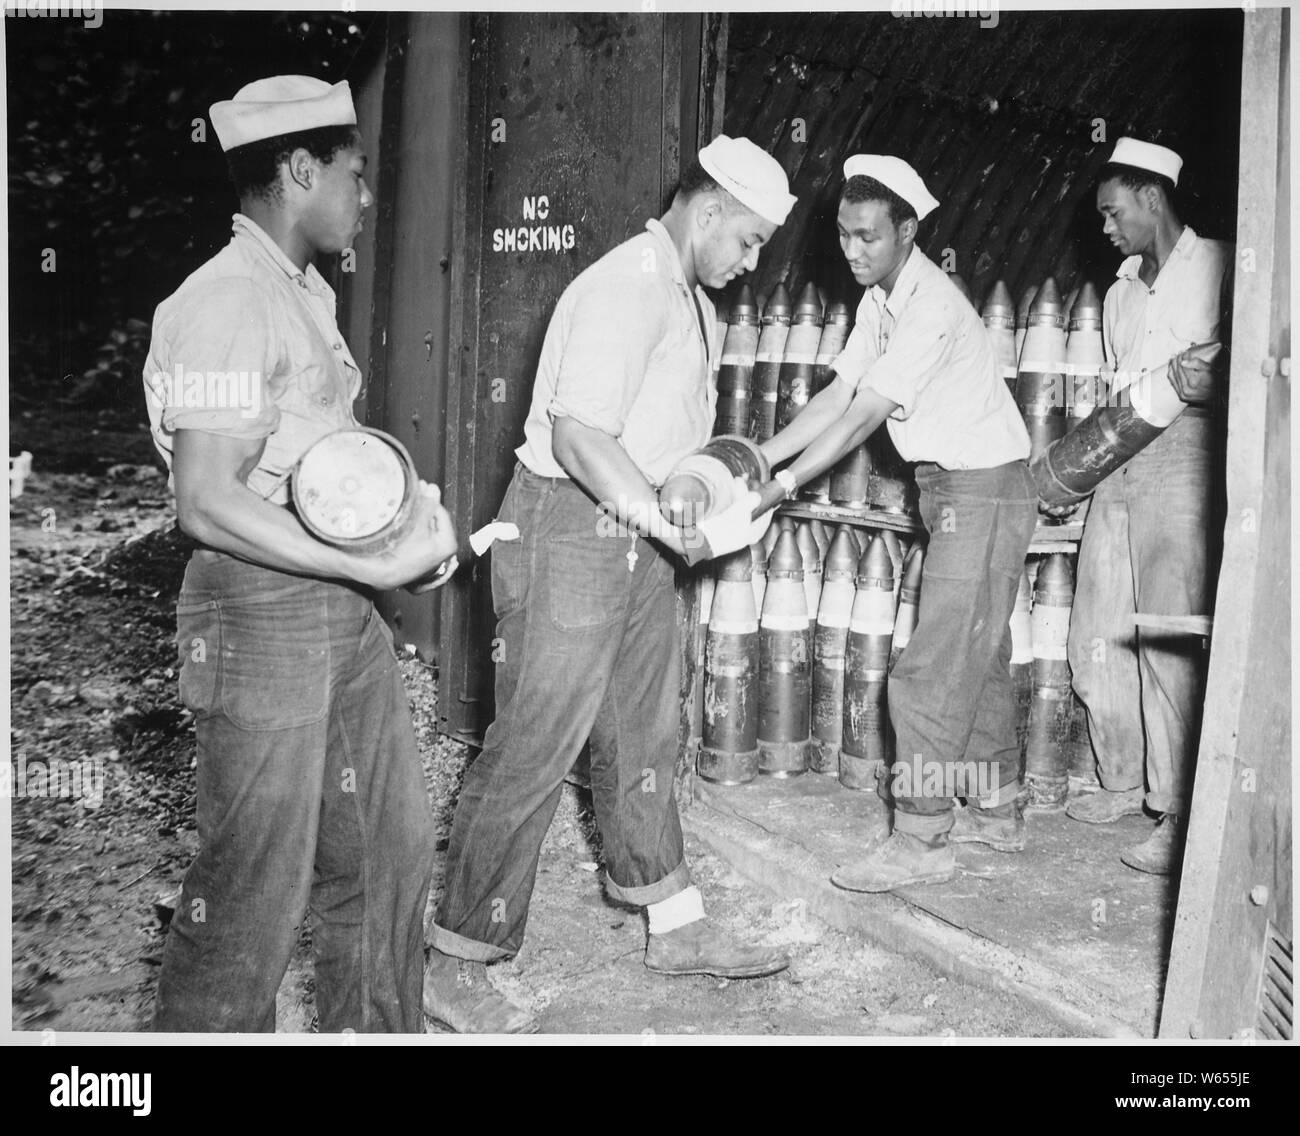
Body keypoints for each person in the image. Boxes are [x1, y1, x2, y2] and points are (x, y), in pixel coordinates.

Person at [423, 135, 794, 1034]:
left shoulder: (687, 297)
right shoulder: (627, 285)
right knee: (537, 740)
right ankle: (457, 956)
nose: (748, 264)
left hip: (629, 532)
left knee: (643, 726)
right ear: (706, 212)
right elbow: (583, 436)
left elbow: (661, 439)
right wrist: (674, 529)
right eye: (745, 241)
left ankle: (670, 919)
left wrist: (713, 495)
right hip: (568, 524)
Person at [145, 76, 458, 1032]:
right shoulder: (230, 299)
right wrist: (366, 568)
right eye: (355, 176)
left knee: (384, 845)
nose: (367, 196)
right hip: (256, 608)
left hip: (327, 600)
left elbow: (320, 465)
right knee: (253, 886)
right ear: (297, 170)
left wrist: (405, 531)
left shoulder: (300, 295)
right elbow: (205, 499)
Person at [759, 156, 1037, 893]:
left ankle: (921, 838)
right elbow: (836, 394)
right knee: (975, 654)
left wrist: (784, 484)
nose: (852, 251)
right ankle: (1000, 806)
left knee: (929, 669)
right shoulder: (881, 302)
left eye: (868, 237)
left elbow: (862, 418)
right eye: (845, 235)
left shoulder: (930, 307)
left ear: (909, 231)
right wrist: (759, 456)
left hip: (985, 489)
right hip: (952, 487)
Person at [1063, 137, 1232, 876]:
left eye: (1113, 212)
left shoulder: (1221, 264)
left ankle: (1178, 810)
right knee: (1096, 626)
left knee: (1167, 630)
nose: (1106, 229)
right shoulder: (1121, 292)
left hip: (1186, 453)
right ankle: (1122, 780)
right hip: (1118, 449)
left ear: (1153, 197)